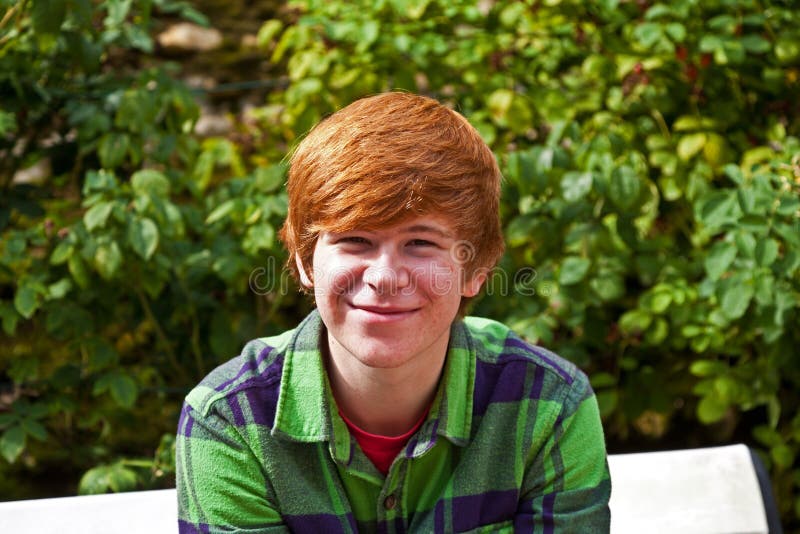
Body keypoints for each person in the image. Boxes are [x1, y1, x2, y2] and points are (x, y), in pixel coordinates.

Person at [176, 92, 611, 533]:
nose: (385, 277)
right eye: (355, 240)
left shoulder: (549, 405)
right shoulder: (230, 421)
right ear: (306, 261)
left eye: (421, 243)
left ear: (477, 268)